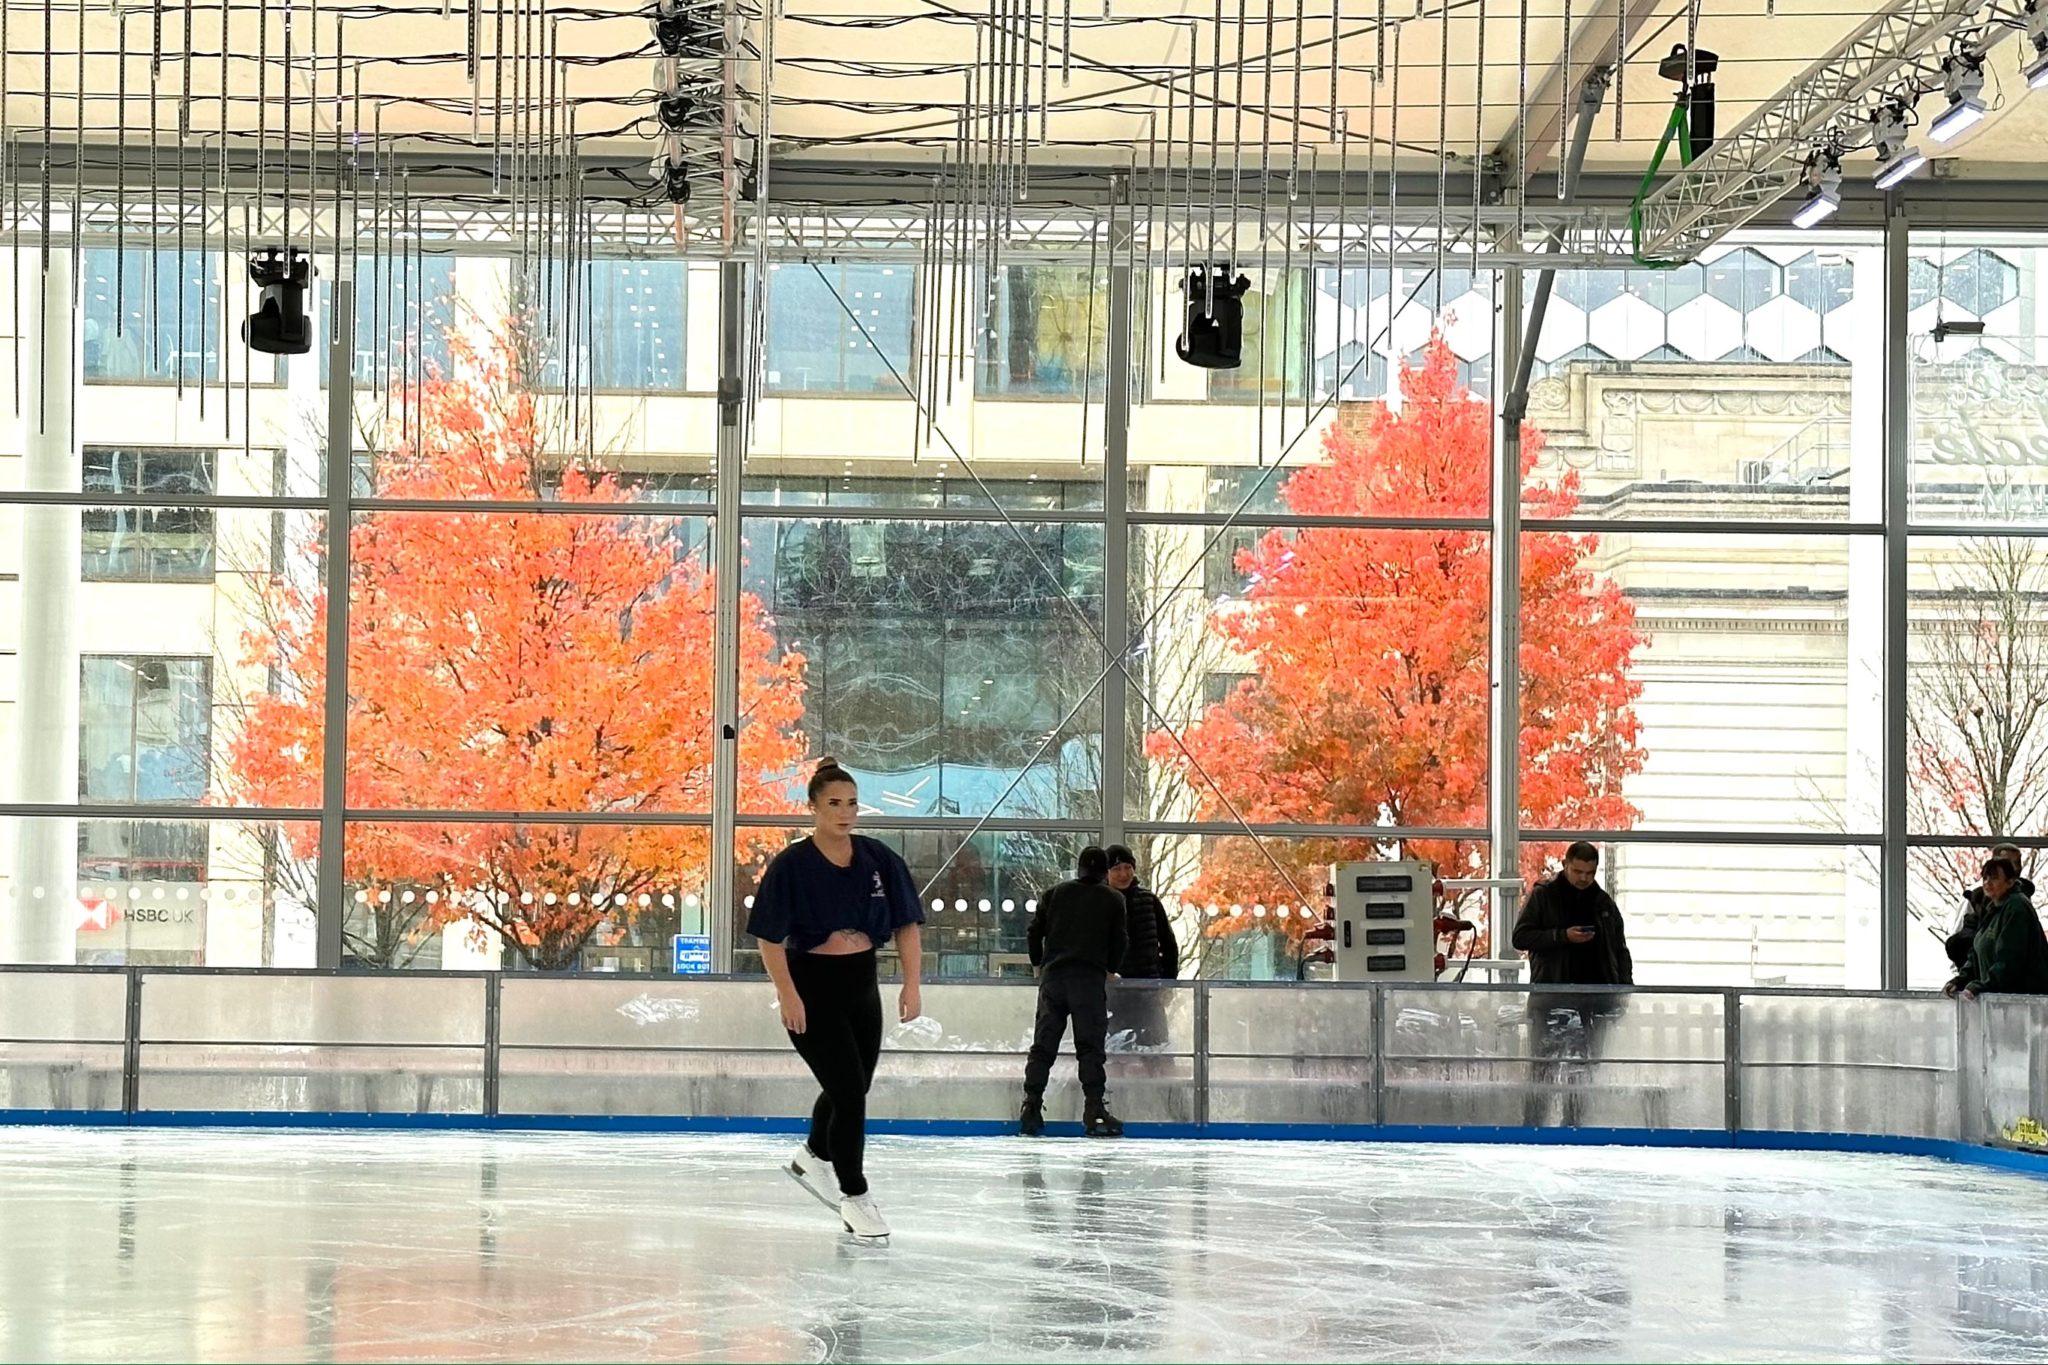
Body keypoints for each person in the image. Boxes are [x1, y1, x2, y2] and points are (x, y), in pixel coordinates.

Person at [748, 757, 924, 1242]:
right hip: (812, 984)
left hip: (862, 983)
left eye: (851, 803)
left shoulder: (878, 858)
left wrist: (912, 984)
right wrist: (787, 994)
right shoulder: (792, 866)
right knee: (847, 1091)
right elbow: (768, 937)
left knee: (853, 1087)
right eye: (833, 804)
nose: (845, 813)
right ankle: (855, 1194)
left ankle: (813, 1155)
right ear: (813, 808)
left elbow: (907, 924)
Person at [1511, 842, 1634, 1127]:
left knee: (1583, 1071)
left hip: (1592, 1001)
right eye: (1578, 871)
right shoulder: (1544, 897)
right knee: (1542, 1069)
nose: (1584, 878)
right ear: (1565, 865)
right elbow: (1521, 938)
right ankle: (1533, 1126)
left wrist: (1623, 990)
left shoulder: (1602, 903)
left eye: (1590, 873)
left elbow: (1620, 950)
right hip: (1551, 998)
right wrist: (1562, 936)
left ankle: (1574, 1126)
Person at [1019, 845, 1129, 1138]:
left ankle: (1031, 1107)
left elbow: (1033, 931)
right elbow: (1120, 939)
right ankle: (1093, 1110)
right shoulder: (1113, 899)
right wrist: (1111, 967)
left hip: (1054, 978)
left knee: (1043, 1046)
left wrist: (1037, 965)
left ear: (1078, 868)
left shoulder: (1054, 894)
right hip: (1089, 981)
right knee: (1090, 1048)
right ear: (1105, 871)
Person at [1105, 845, 1178, 1051]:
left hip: (1149, 990)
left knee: (1156, 1050)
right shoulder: (1099, 901)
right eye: (1117, 869)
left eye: (1127, 867)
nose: (1123, 874)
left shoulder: (1149, 900)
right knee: (1114, 1053)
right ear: (1107, 872)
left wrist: (1168, 982)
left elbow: (1169, 944)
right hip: (1112, 993)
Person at [1945, 856, 2048, 1001]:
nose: (1987, 883)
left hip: (2020, 1001)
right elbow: (1976, 952)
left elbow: (2010, 958)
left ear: (2010, 881)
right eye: (1985, 878)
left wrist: (1982, 986)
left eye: (1993, 878)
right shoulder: (1993, 909)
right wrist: (1960, 981)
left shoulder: (2016, 907)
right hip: (2000, 1000)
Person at [1946, 843, 2035, 973]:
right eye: (2008, 863)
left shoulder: (2019, 901)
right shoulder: (1976, 896)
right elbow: (1960, 935)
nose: (2015, 868)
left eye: (2017, 863)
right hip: (1982, 972)